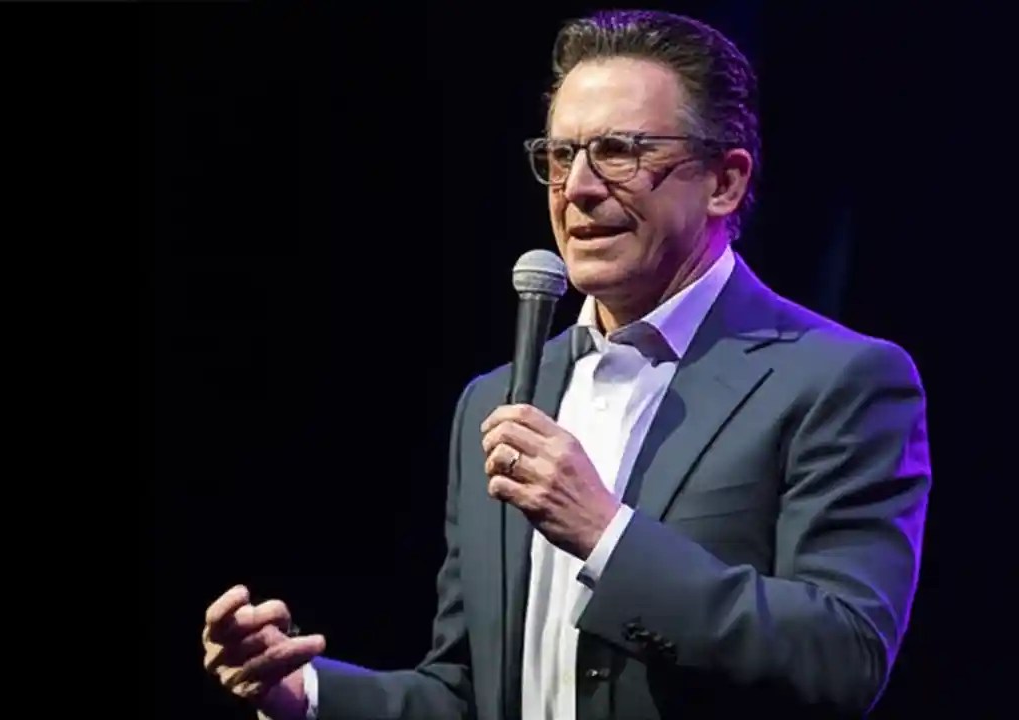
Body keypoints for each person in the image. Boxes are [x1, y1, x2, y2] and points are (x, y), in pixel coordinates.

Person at [200, 8, 931, 719]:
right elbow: (468, 690)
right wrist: (305, 695)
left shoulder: (838, 382)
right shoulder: (499, 401)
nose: (577, 188)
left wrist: (605, 533)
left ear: (724, 182)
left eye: (619, 151)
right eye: (559, 155)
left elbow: (842, 658)